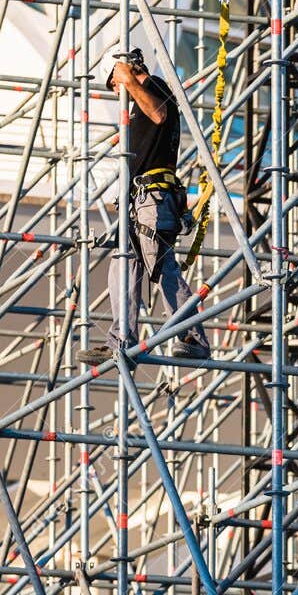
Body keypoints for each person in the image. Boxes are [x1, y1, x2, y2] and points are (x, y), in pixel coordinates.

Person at [79, 49, 211, 366]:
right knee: (123, 265)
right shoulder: (142, 101)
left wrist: (129, 79)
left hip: (154, 198)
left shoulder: (155, 88)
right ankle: (122, 340)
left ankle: (193, 338)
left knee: (161, 266)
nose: (118, 93)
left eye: (114, 84)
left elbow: (159, 114)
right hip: (142, 201)